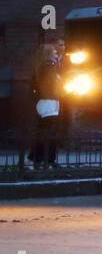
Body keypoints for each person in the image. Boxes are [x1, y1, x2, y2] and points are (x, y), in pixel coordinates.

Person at [28, 41, 64, 169]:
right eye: (54, 52)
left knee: (44, 132)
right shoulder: (48, 65)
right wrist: (55, 63)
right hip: (48, 102)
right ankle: (48, 160)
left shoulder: (44, 66)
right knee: (50, 133)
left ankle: (36, 158)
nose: (56, 53)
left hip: (48, 102)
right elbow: (51, 83)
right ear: (48, 54)